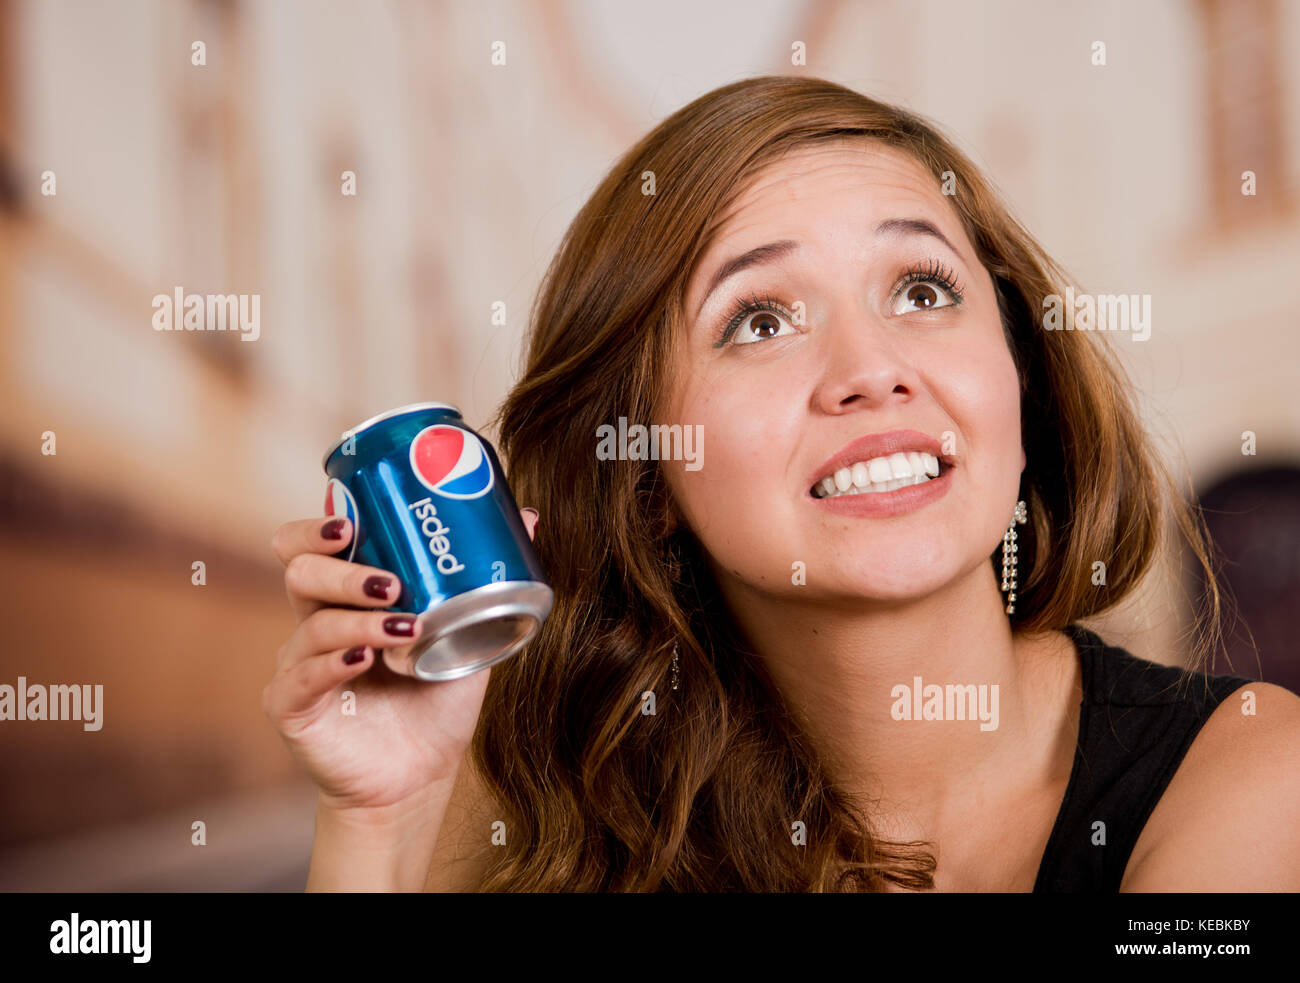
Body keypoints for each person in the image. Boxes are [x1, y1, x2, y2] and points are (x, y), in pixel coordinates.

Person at [266, 76, 1300, 892]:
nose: (870, 369)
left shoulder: (1252, 776)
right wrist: (381, 821)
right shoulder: (535, 811)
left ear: (1019, 382)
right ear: (646, 476)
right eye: (760, 320)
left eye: (921, 289)